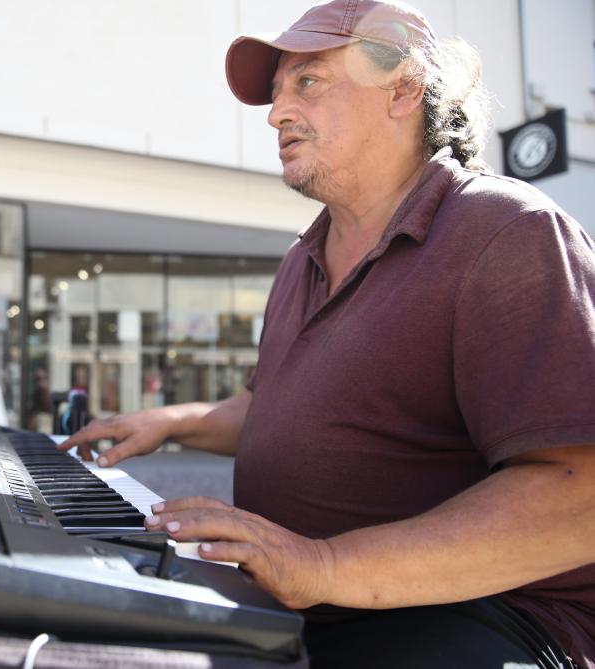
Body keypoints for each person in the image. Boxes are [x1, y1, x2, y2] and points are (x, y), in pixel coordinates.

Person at [59, 1, 595, 667]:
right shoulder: (301, 260)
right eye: (277, 91)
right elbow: (274, 407)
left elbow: (580, 495)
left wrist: (323, 561)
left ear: (403, 89)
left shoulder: (507, 233)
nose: (277, 112)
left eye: (307, 82)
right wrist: (169, 422)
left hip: (485, 619)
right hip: (310, 601)